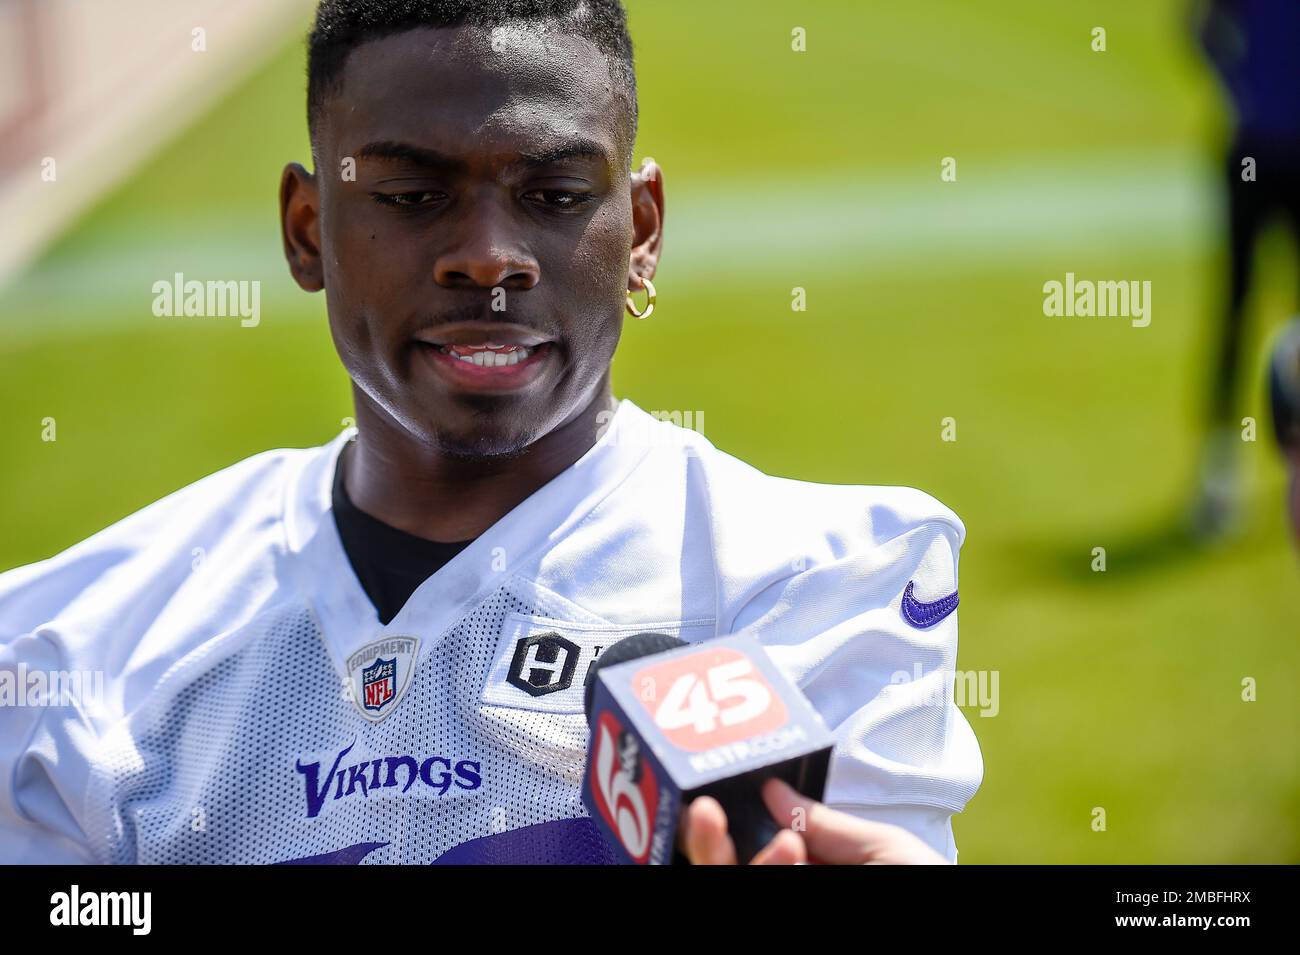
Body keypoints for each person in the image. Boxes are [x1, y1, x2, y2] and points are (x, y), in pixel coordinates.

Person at [0, 0, 980, 865]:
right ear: (307, 229)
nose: (486, 258)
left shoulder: (812, 591)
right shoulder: (77, 638)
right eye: (411, 196)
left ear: (640, 232)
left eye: (553, 197)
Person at [1191, 0, 1300, 538]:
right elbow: (1202, 26)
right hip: (1253, 154)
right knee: (1236, 307)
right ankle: (1219, 473)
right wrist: (1242, 92)